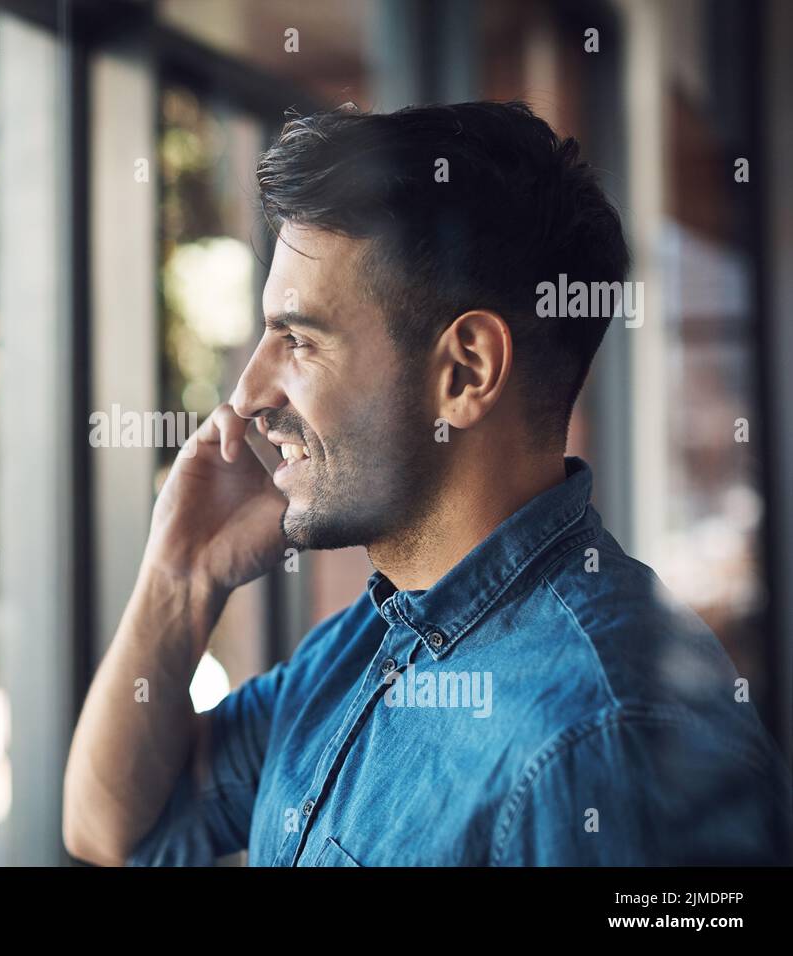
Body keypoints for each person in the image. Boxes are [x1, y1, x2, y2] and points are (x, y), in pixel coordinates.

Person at [62, 101, 793, 866]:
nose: (247, 396)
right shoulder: (371, 639)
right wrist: (181, 576)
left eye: (298, 341)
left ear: (465, 371)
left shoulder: (605, 741)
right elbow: (117, 829)